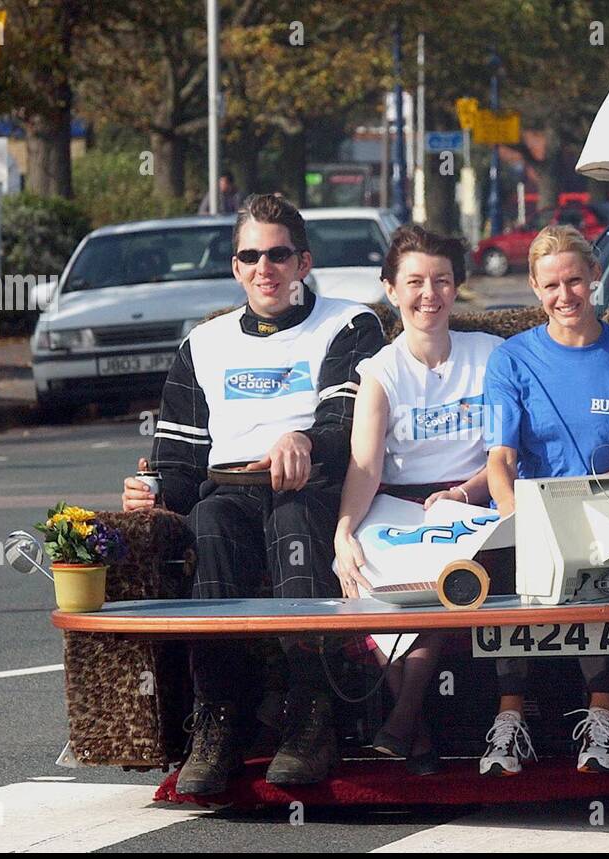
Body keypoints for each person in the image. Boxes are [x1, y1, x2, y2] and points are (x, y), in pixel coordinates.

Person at [121, 193, 385, 793]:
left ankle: (312, 715)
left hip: (312, 488)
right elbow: (181, 464)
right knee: (207, 522)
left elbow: (349, 423)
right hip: (230, 491)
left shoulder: (350, 322)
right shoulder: (204, 343)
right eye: (251, 257)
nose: (265, 268)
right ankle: (217, 718)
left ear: (303, 263)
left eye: (278, 255)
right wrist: (153, 487)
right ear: (236, 268)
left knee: (292, 522)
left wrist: (305, 440)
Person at [480, 224, 609, 776]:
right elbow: (500, 459)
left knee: (600, 559)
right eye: (551, 285)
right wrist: (515, 518)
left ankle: (603, 718)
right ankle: (509, 720)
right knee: (511, 562)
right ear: (535, 290)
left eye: (575, 282)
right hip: (533, 511)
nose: (565, 297)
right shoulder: (511, 360)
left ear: (595, 278)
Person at [333, 225, 501, 775]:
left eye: (442, 281)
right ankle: (417, 731)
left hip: (473, 505)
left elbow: (506, 452)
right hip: (398, 508)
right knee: (362, 569)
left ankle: (405, 722)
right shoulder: (380, 372)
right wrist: (344, 531)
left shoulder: (492, 356)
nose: (429, 294)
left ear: (457, 288)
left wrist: (465, 492)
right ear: (390, 289)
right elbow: (365, 465)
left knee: (441, 579)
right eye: (415, 282)